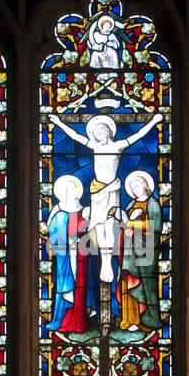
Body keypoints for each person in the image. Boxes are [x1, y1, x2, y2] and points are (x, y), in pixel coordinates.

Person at [48, 112, 162, 285]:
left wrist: (153, 121)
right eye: (96, 134)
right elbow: (75, 135)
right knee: (98, 227)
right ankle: (104, 263)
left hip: (112, 190)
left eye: (101, 132)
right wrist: (59, 122)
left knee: (111, 225)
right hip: (97, 191)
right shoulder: (95, 147)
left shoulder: (118, 146)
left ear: (109, 132)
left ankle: (108, 264)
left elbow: (138, 135)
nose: (99, 136)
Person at [117, 171, 162, 332]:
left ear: (145, 185)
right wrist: (123, 222)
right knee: (129, 280)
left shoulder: (153, 204)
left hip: (146, 249)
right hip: (130, 250)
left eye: (137, 185)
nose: (135, 189)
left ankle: (149, 318)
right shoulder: (131, 205)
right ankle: (131, 319)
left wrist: (129, 221)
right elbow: (124, 226)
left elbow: (154, 227)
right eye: (132, 187)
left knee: (146, 282)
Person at [46, 174, 90, 333]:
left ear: (78, 191)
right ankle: (61, 318)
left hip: (82, 254)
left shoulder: (84, 210)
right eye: (67, 189)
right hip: (64, 254)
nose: (70, 191)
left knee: (82, 284)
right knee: (65, 284)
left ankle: (82, 318)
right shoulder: (58, 209)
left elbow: (90, 234)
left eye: (73, 188)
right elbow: (51, 230)